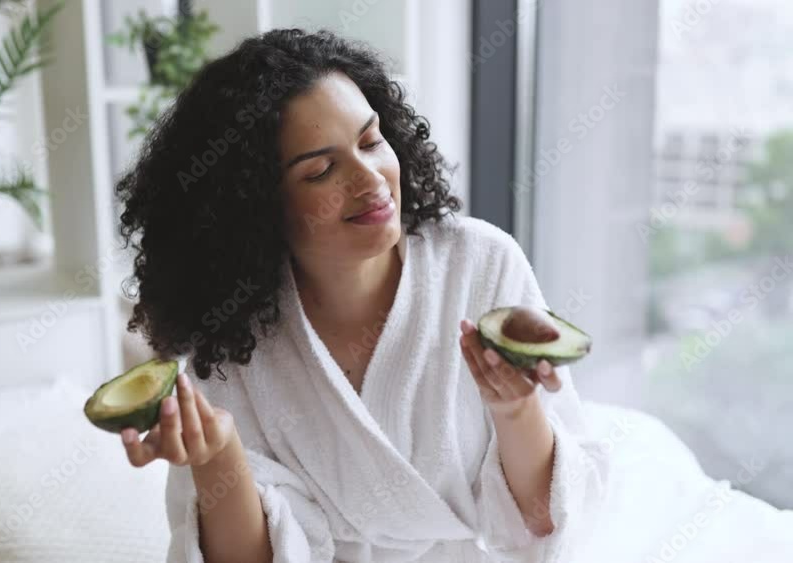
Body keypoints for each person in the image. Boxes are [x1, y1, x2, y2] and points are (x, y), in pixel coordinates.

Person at [116, 28, 609, 563]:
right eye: (322, 170)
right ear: (257, 206)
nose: (370, 179)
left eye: (371, 142)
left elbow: (545, 521)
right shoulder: (232, 340)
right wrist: (217, 457)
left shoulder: (481, 265)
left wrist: (516, 410)